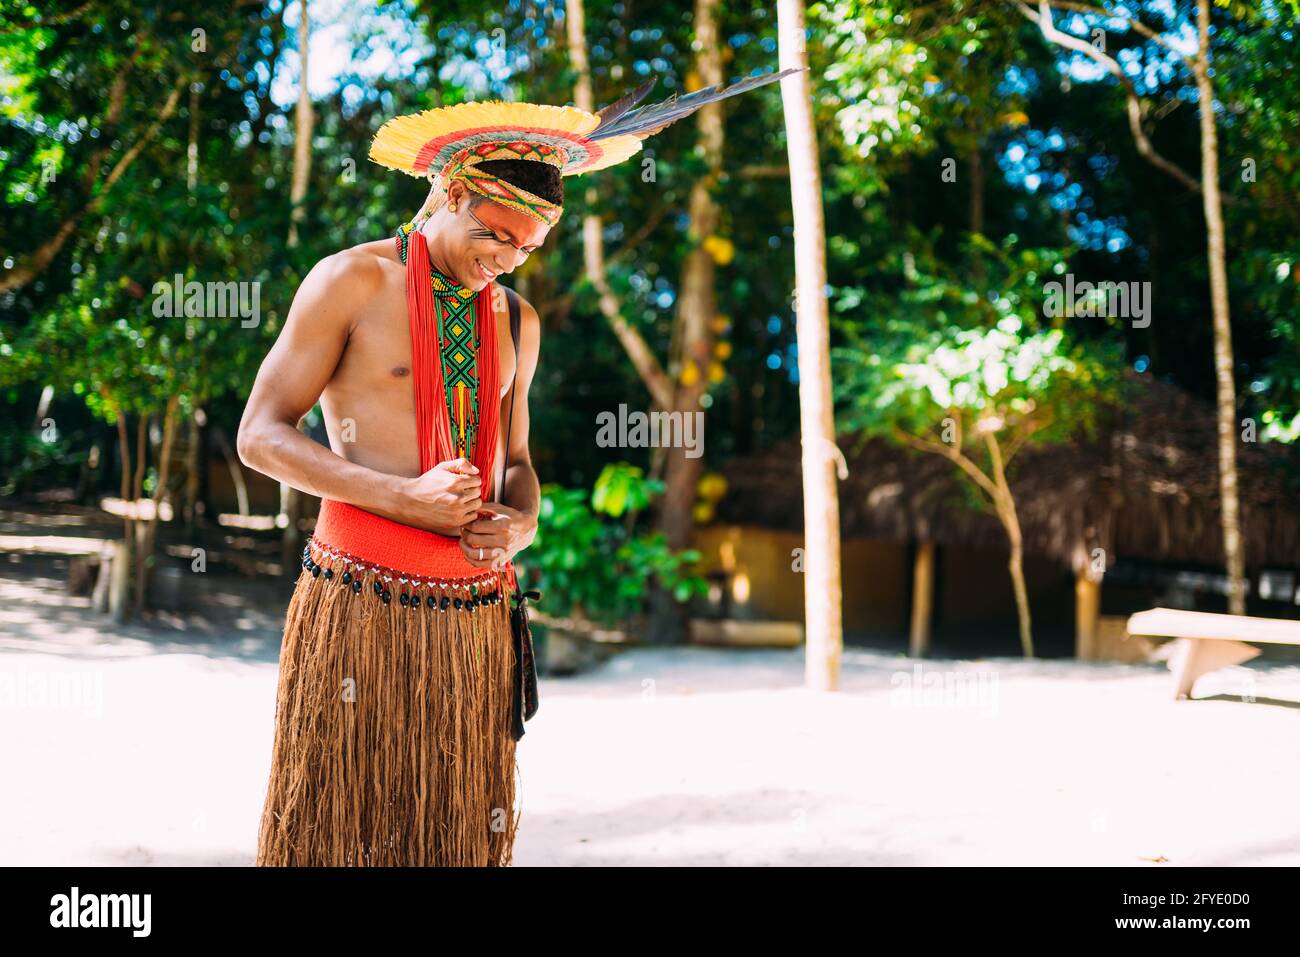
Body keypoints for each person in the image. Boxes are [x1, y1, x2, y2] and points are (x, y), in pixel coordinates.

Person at [241, 71, 800, 867]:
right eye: (494, 236)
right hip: (360, 599)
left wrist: (524, 519)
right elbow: (260, 436)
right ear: (451, 191)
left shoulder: (516, 318)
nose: (504, 260)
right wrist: (402, 496)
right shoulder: (352, 281)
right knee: (337, 838)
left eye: (527, 248)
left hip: (474, 619)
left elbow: (517, 462)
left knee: (454, 837)